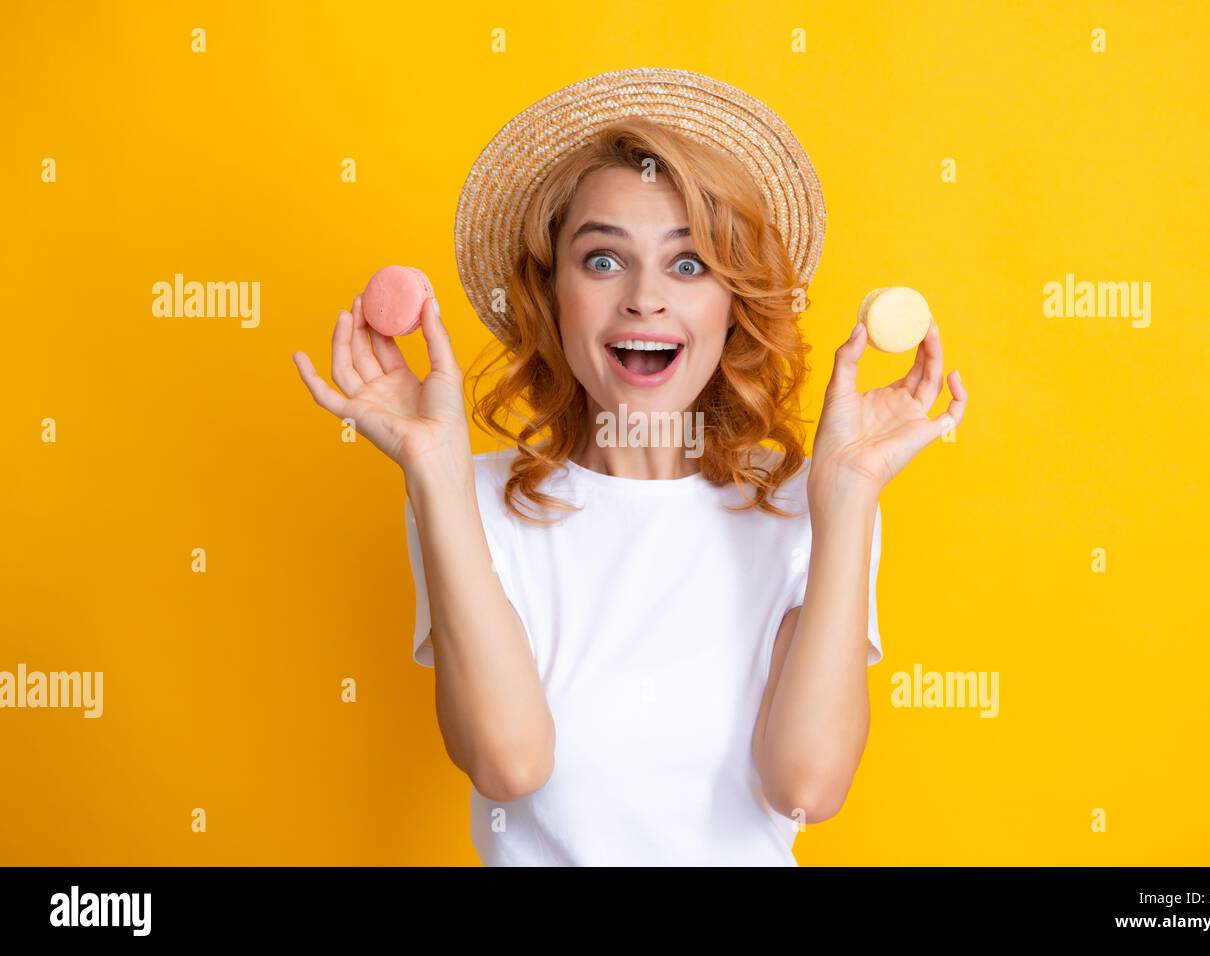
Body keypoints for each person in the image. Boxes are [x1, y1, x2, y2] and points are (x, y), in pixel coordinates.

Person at [292, 68, 967, 865]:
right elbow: (509, 765)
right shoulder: (466, 497)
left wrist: (849, 498)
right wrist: (433, 471)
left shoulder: (806, 502)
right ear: (553, 296)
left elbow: (806, 789)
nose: (646, 299)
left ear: (733, 303)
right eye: (604, 260)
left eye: (689, 266)